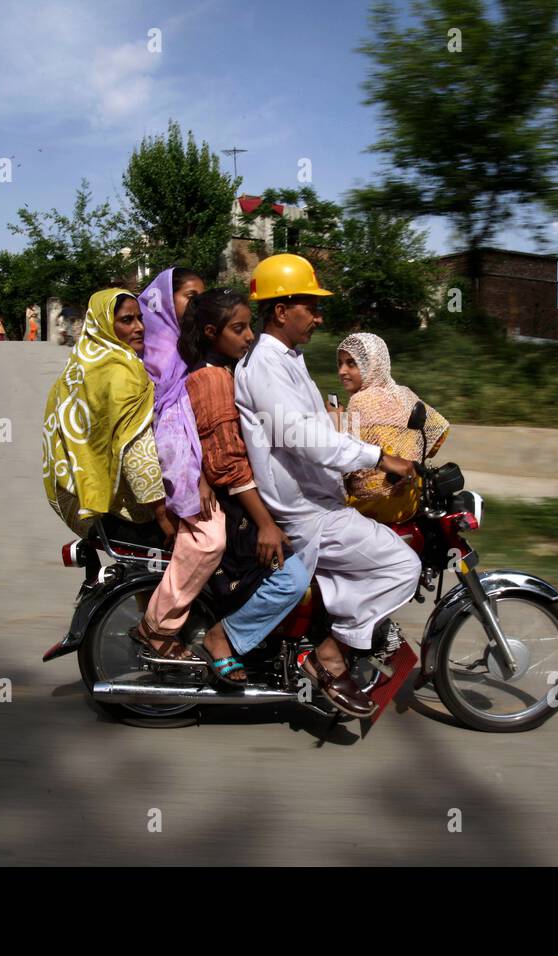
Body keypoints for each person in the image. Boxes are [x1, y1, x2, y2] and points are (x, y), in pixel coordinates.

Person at [234, 254, 422, 717]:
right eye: (310, 308)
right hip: (305, 510)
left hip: (319, 497)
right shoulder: (265, 366)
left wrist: (356, 449)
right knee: (403, 564)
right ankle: (331, 655)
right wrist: (381, 457)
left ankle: (330, 638)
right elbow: (302, 437)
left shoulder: (289, 359)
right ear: (281, 310)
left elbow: (318, 429)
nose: (318, 317)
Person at [41, 288, 199, 668]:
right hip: (121, 503)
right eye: (126, 320)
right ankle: (164, 632)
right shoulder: (122, 371)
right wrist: (162, 513)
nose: (139, 327)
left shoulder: (84, 361)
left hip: (76, 493)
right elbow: (136, 449)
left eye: (139, 317)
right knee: (204, 544)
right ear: (104, 324)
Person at [175, 287, 317, 684]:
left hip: (242, 494)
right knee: (292, 577)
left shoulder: (224, 371)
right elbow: (227, 465)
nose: (249, 336)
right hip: (235, 505)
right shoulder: (213, 379)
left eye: (249, 327)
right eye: (238, 329)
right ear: (209, 332)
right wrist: (265, 523)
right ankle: (224, 638)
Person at [136, 267, 237, 678]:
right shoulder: (155, 353)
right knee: (210, 539)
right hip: (172, 461)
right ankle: (157, 626)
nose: (195, 304)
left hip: (195, 458)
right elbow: (166, 429)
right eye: (188, 296)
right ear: (163, 301)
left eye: (201, 297)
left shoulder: (189, 348)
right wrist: (195, 477)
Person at [336, 332, 450, 523]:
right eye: (339, 363)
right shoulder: (404, 393)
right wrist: (411, 455)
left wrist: (337, 421)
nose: (342, 371)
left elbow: (344, 459)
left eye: (351, 363)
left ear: (371, 364)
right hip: (411, 498)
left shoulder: (360, 401)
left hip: (375, 504)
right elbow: (439, 432)